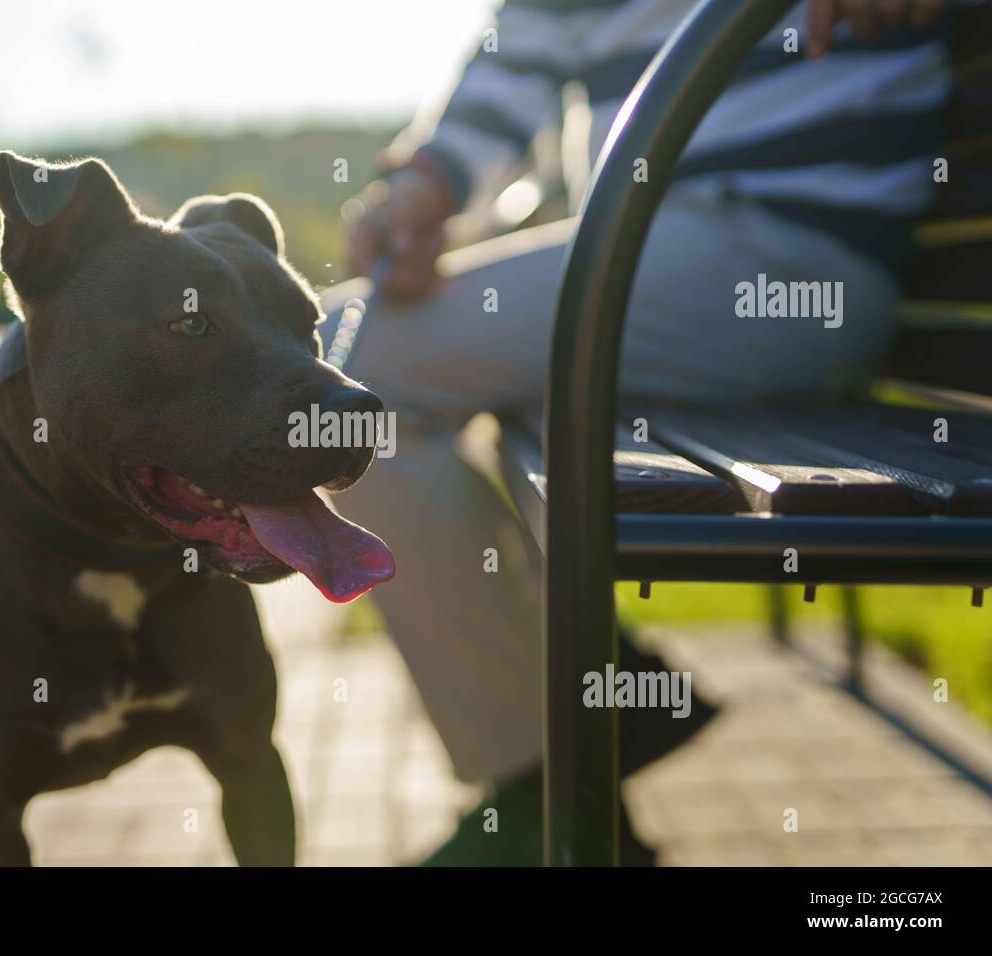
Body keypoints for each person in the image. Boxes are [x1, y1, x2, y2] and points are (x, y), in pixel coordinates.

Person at [317, 0, 952, 864]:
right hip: (649, 253)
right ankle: (589, 719)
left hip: (782, 249)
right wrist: (422, 189)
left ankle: (552, 782)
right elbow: (507, 79)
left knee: (353, 368)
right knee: (335, 361)